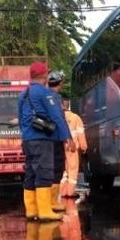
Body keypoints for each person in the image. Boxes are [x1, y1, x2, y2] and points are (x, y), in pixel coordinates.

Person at [19, 62, 73, 221]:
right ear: (44, 76)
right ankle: (44, 211)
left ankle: (31, 210)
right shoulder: (45, 93)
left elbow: (21, 118)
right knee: (44, 172)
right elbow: (56, 116)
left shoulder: (23, 93)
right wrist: (66, 137)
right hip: (43, 139)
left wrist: (25, 134)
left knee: (30, 173)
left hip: (28, 139)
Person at [47, 70, 68, 213]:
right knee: (57, 168)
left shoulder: (43, 95)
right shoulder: (55, 98)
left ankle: (49, 202)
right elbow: (59, 119)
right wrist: (68, 137)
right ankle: (52, 202)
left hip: (45, 138)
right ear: (60, 83)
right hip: (55, 138)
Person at [59, 98, 88, 198]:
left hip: (60, 148)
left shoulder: (58, 117)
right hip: (72, 149)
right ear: (68, 106)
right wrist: (84, 146)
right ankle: (70, 192)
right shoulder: (75, 118)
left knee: (63, 170)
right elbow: (80, 133)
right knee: (72, 169)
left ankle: (63, 192)